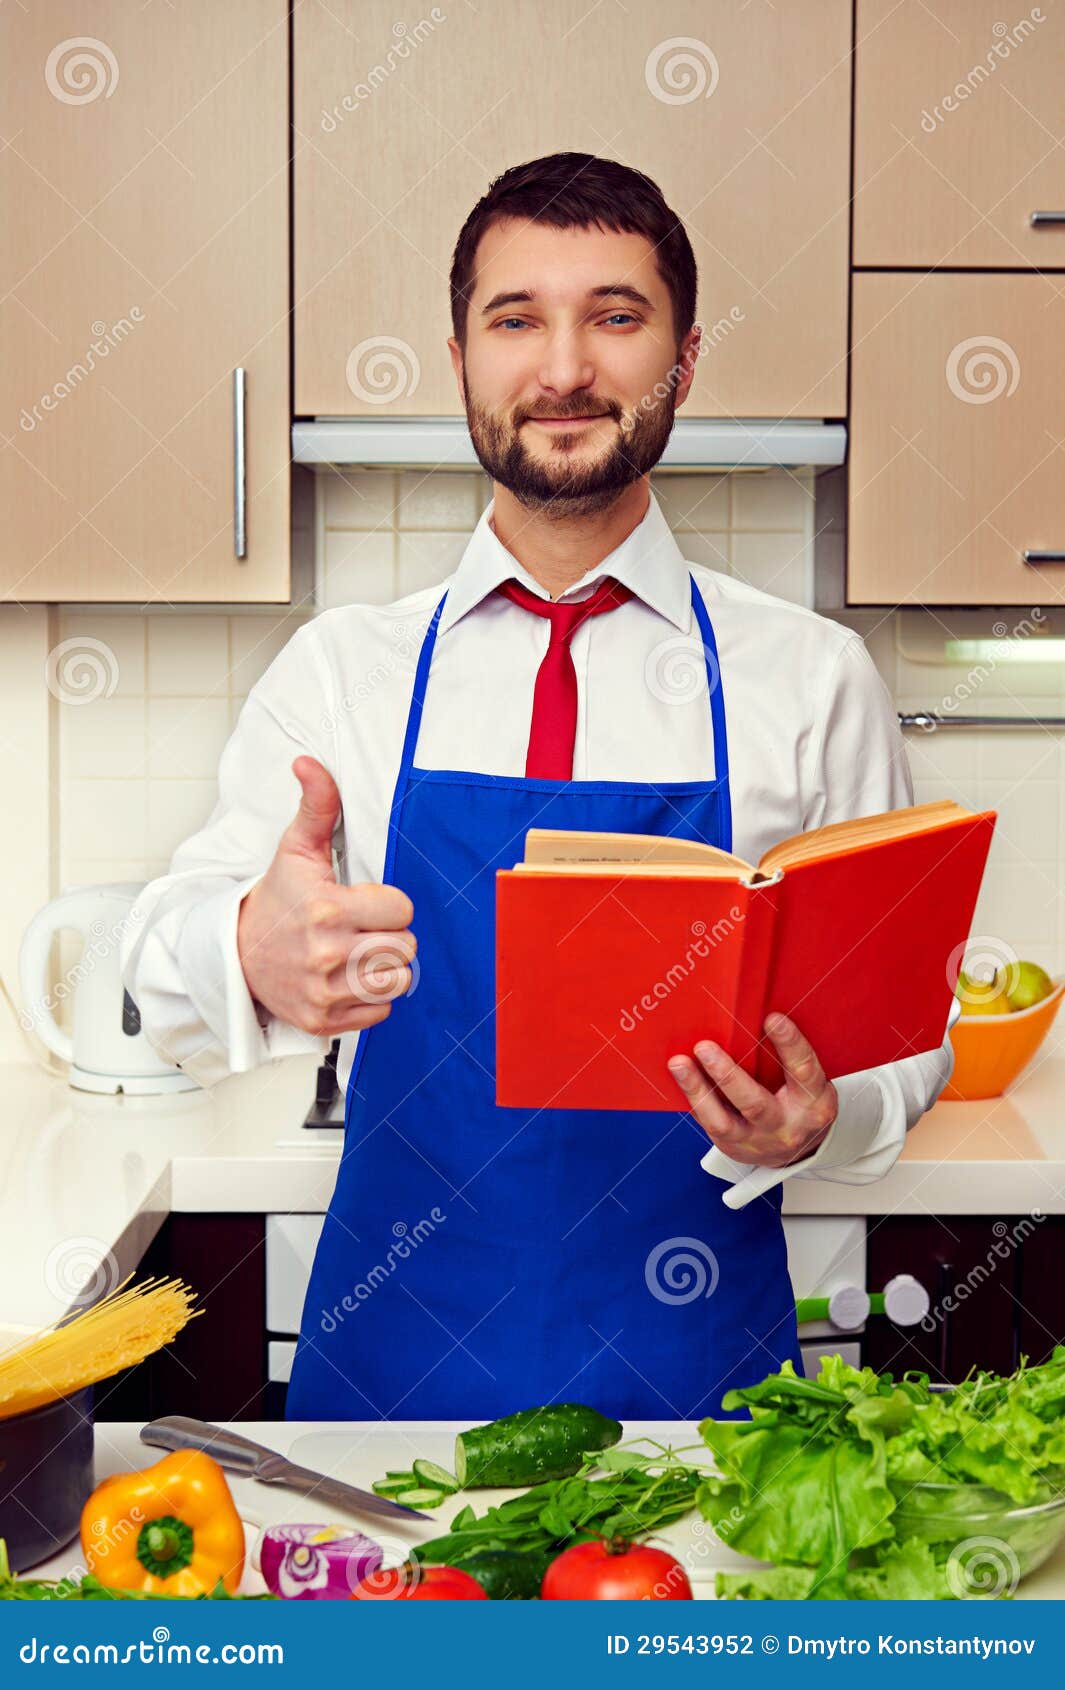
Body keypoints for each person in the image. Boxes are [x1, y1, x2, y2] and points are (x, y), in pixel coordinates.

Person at [123, 152, 956, 1422]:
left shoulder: (813, 679)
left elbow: (910, 1038)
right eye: (516, 319)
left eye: (616, 317)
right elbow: (152, 976)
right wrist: (246, 946)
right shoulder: (342, 674)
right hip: (390, 1395)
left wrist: (825, 1118)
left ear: (684, 358)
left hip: (707, 1403)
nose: (565, 369)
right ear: (459, 358)